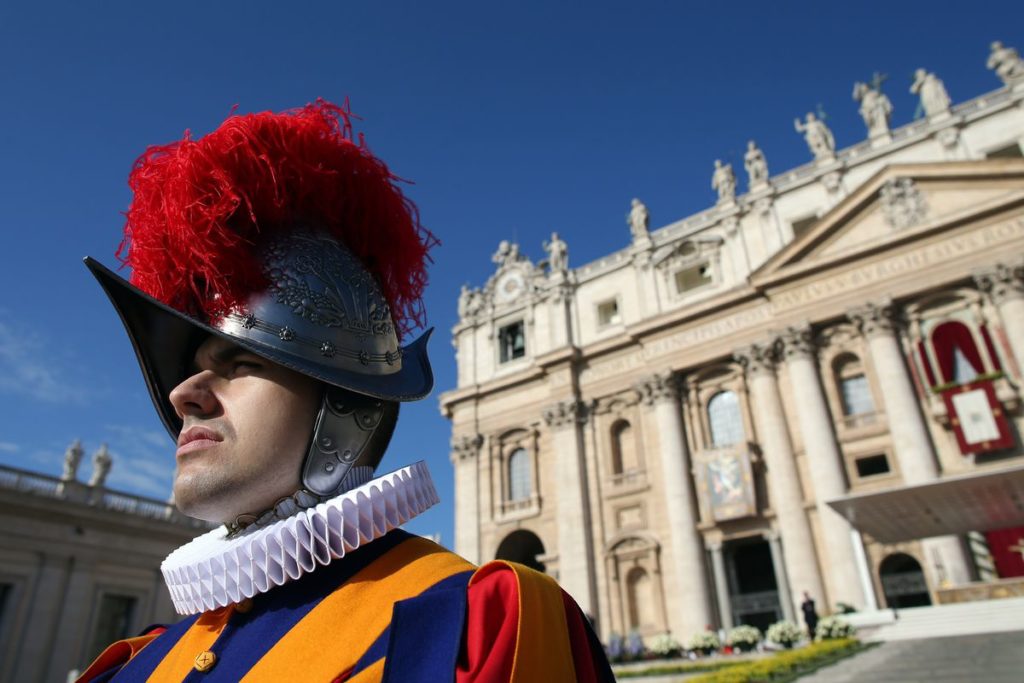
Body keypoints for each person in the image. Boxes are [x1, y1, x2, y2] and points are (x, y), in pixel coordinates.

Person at [77, 101, 613, 682]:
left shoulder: (476, 630)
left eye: (242, 361)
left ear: (344, 407)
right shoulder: (133, 665)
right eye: (192, 368)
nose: (185, 393)